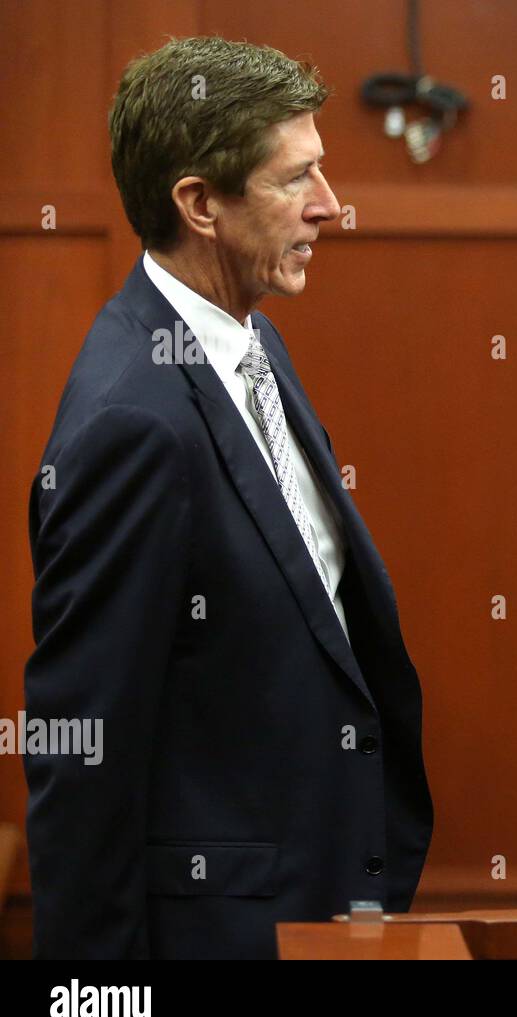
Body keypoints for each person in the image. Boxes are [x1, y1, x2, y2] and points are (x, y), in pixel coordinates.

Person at [23, 37, 433, 958]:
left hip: (319, 905)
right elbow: (82, 747)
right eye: (297, 180)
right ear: (200, 204)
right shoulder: (133, 421)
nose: (330, 207)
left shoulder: (249, 342)